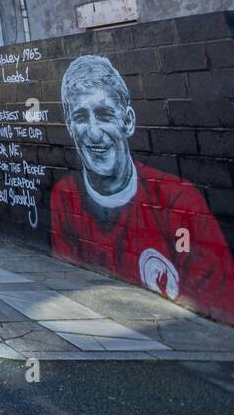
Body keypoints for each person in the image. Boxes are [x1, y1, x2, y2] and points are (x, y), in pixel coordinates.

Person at [50, 55, 234, 321]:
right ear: (69, 126)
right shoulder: (64, 197)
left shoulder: (178, 200)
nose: (93, 132)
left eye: (104, 115)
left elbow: (217, 298)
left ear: (128, 121)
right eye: (80, 116)